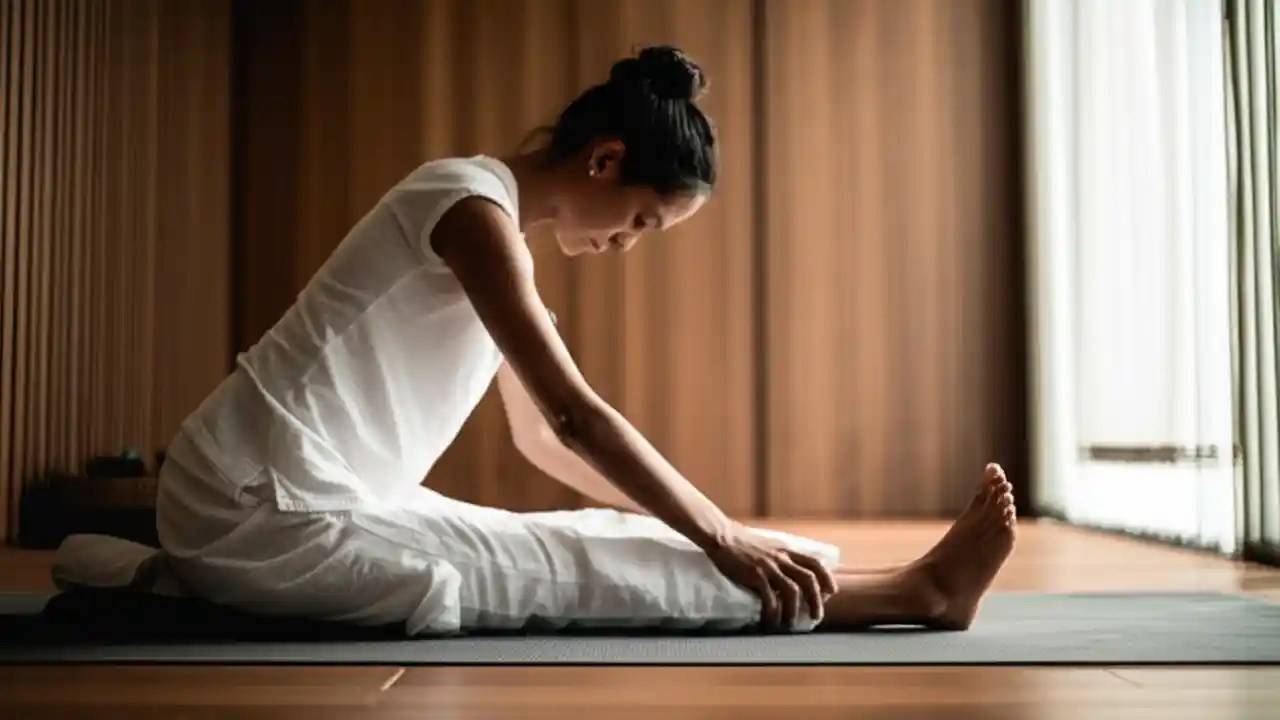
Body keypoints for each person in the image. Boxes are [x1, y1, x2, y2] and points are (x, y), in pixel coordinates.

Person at [155, 45, 1017, 636]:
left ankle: (856, 584)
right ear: (604, 160)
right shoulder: (467, 210)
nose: (628, 243)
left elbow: (542, 443)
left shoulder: (492, 233)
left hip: (298, 496)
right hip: (257, 512)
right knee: (553, 561)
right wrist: (719, 535)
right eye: (642, 219)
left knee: (595, 534)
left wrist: (713, 533)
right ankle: (915, 594)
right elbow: (573, 417)